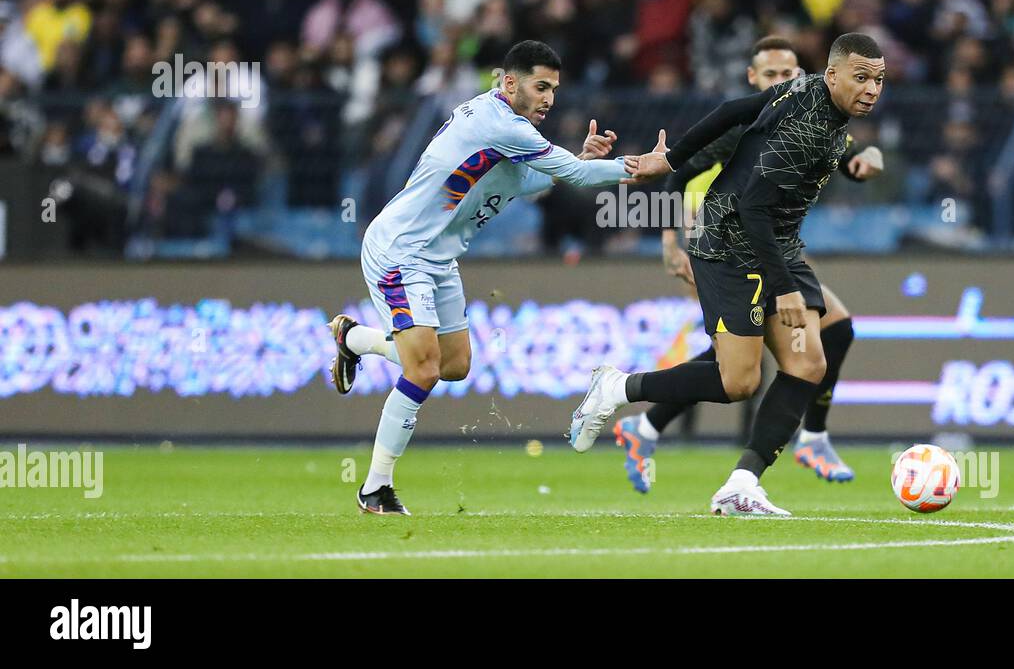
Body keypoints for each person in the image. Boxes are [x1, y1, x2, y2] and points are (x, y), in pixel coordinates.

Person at [570, 33, 886, 516]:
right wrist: (784, 290)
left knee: (808, 363)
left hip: (777, 244)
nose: (871, 89)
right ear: (833, 74)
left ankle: (741, 484)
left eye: (879, 79)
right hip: (728, 244)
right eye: (861, 77)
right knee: (738, 381)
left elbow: (736, 109)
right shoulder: (806, 131)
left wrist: (669, 156)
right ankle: (617, 388)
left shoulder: (805, 93)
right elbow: (754, 207)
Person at [328, 40, 641, 515]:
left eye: (554, 89)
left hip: (437, 258)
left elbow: (534, 180)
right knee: (423, 369)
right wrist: (638, 168)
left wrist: (578, 161)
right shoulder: (500, 125)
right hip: (401, 251)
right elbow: (575, 177)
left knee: (453, 365)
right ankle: (375, 488)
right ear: (509, 83)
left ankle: (355, 340)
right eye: (541, 87)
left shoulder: (501, 128)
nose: (549, 99)